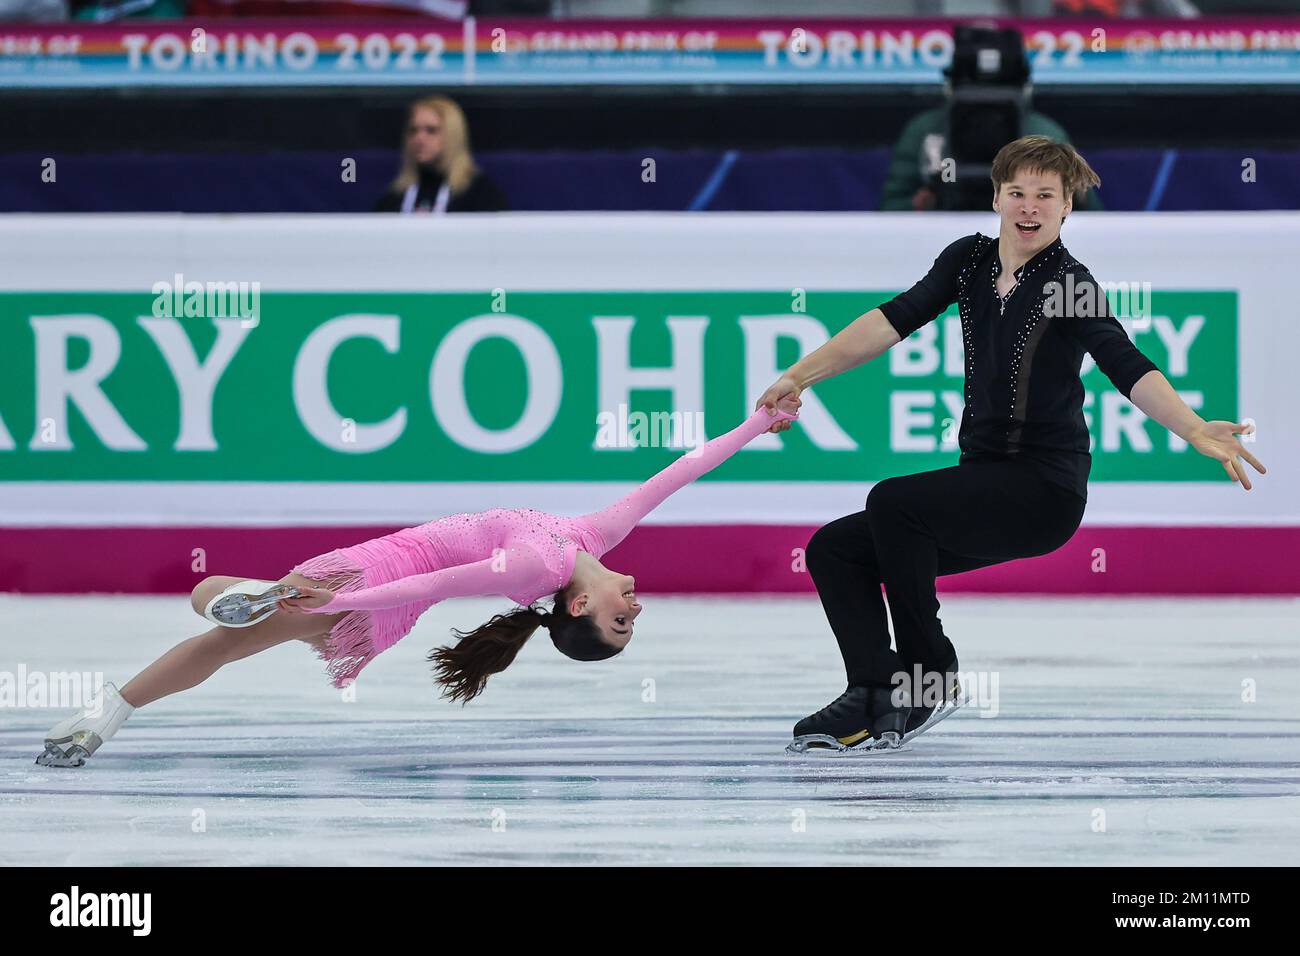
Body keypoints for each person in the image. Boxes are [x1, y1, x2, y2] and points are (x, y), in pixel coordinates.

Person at [756, 135, 1264, 753]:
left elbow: (1124, 362)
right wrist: (798, 375)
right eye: (1017, 192)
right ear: (996, 196)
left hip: (1042, 491)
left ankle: (927, 675)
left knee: (893, 502)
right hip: (983, 479)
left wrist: (1190, 426)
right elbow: (892, 319)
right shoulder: (967, 259)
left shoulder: (1071, 284)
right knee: (835, 550)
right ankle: (872, 691)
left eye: (1045, 195)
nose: (1029, 207)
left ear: (1067, 206)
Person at [36, 403, 800, 767]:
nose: (635, 607)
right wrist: (756, 424)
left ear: (575, 607)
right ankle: (122, 702)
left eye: (620, 622)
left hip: (384, 580)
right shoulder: (593, 538)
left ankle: (125, 699)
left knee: (224, 627)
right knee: (227, 636)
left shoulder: (540, 566)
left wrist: (338, 600)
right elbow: (678, 472)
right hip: (388, 589)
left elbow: (438, 576)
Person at [374, 95, 507, 214]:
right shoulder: (396, 195)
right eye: (413, 130)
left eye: (431, 130)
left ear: (453, 136)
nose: (419, 138)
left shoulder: (480, 194)